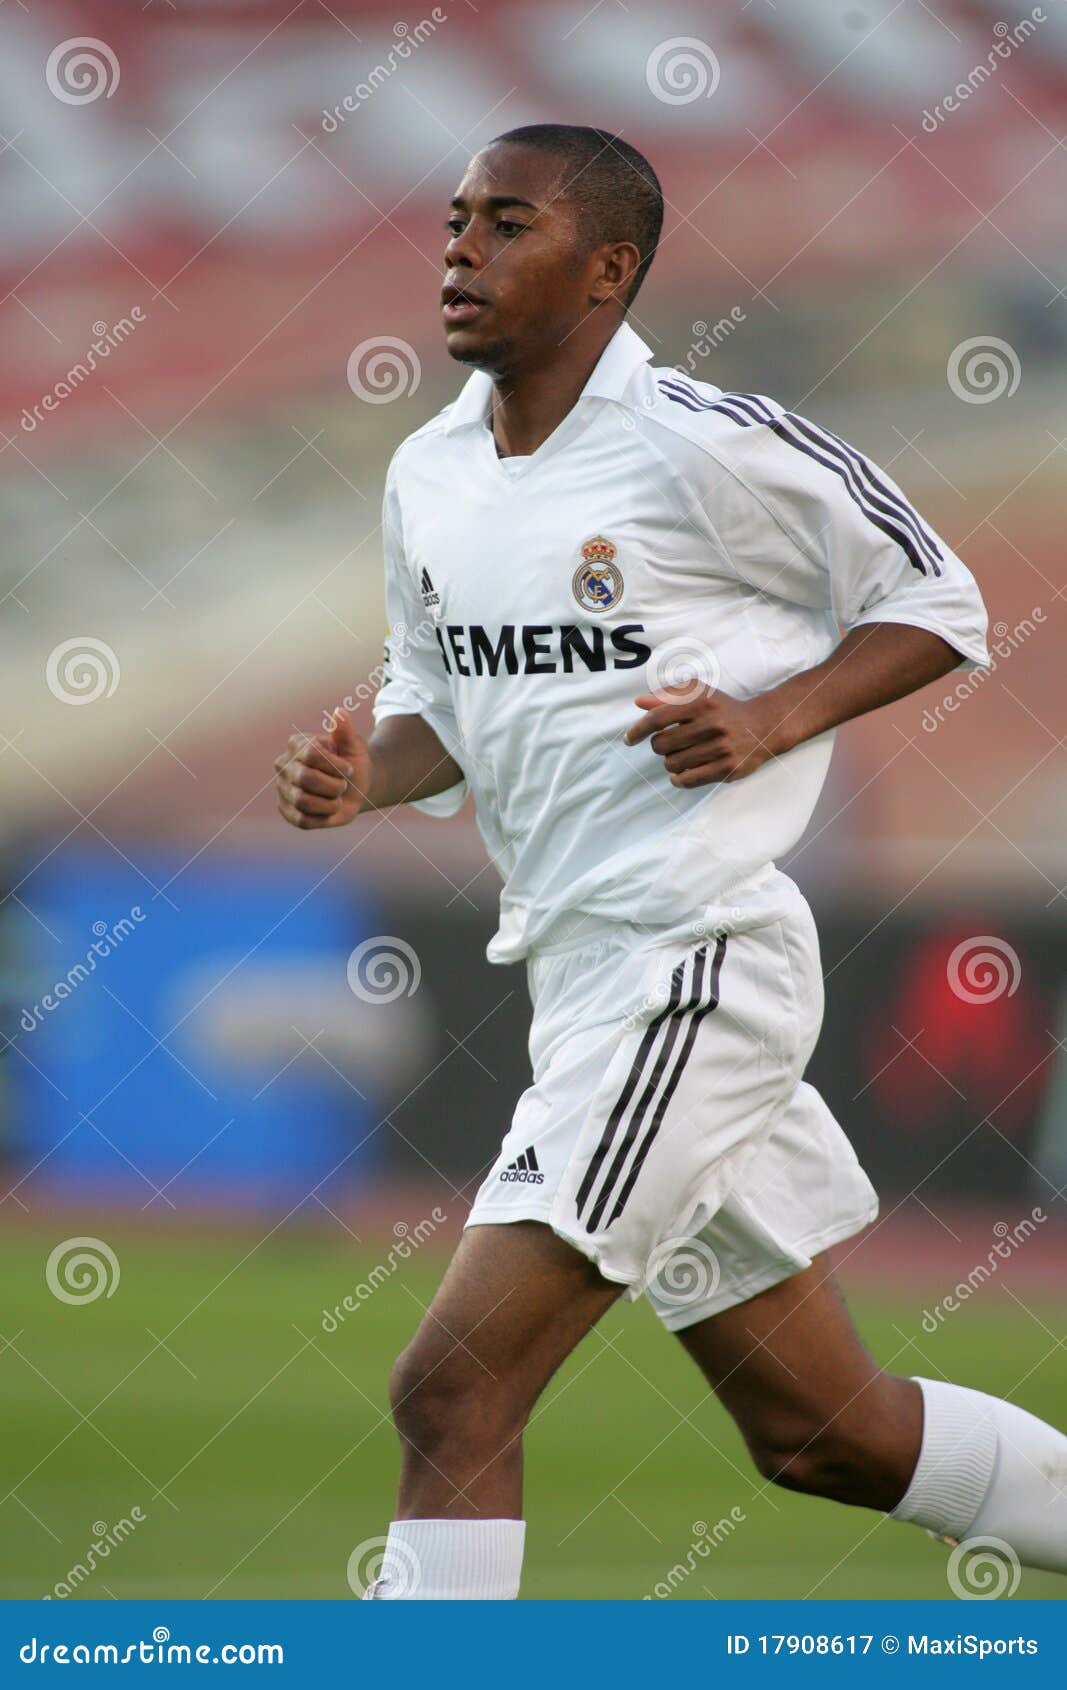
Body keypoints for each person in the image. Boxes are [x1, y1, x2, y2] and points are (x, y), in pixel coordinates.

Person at [274, 125, 1066, 1600]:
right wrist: (357, 779)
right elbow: (439, 715)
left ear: (609, 269)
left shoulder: (706, 441)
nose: (458, 251)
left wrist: (773, 719)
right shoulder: (431, 472)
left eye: (506, 225)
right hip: (582, 979)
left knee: (450, 1388)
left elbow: (938, 598)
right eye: (455, 221)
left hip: (694, 967)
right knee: (825, 1431)